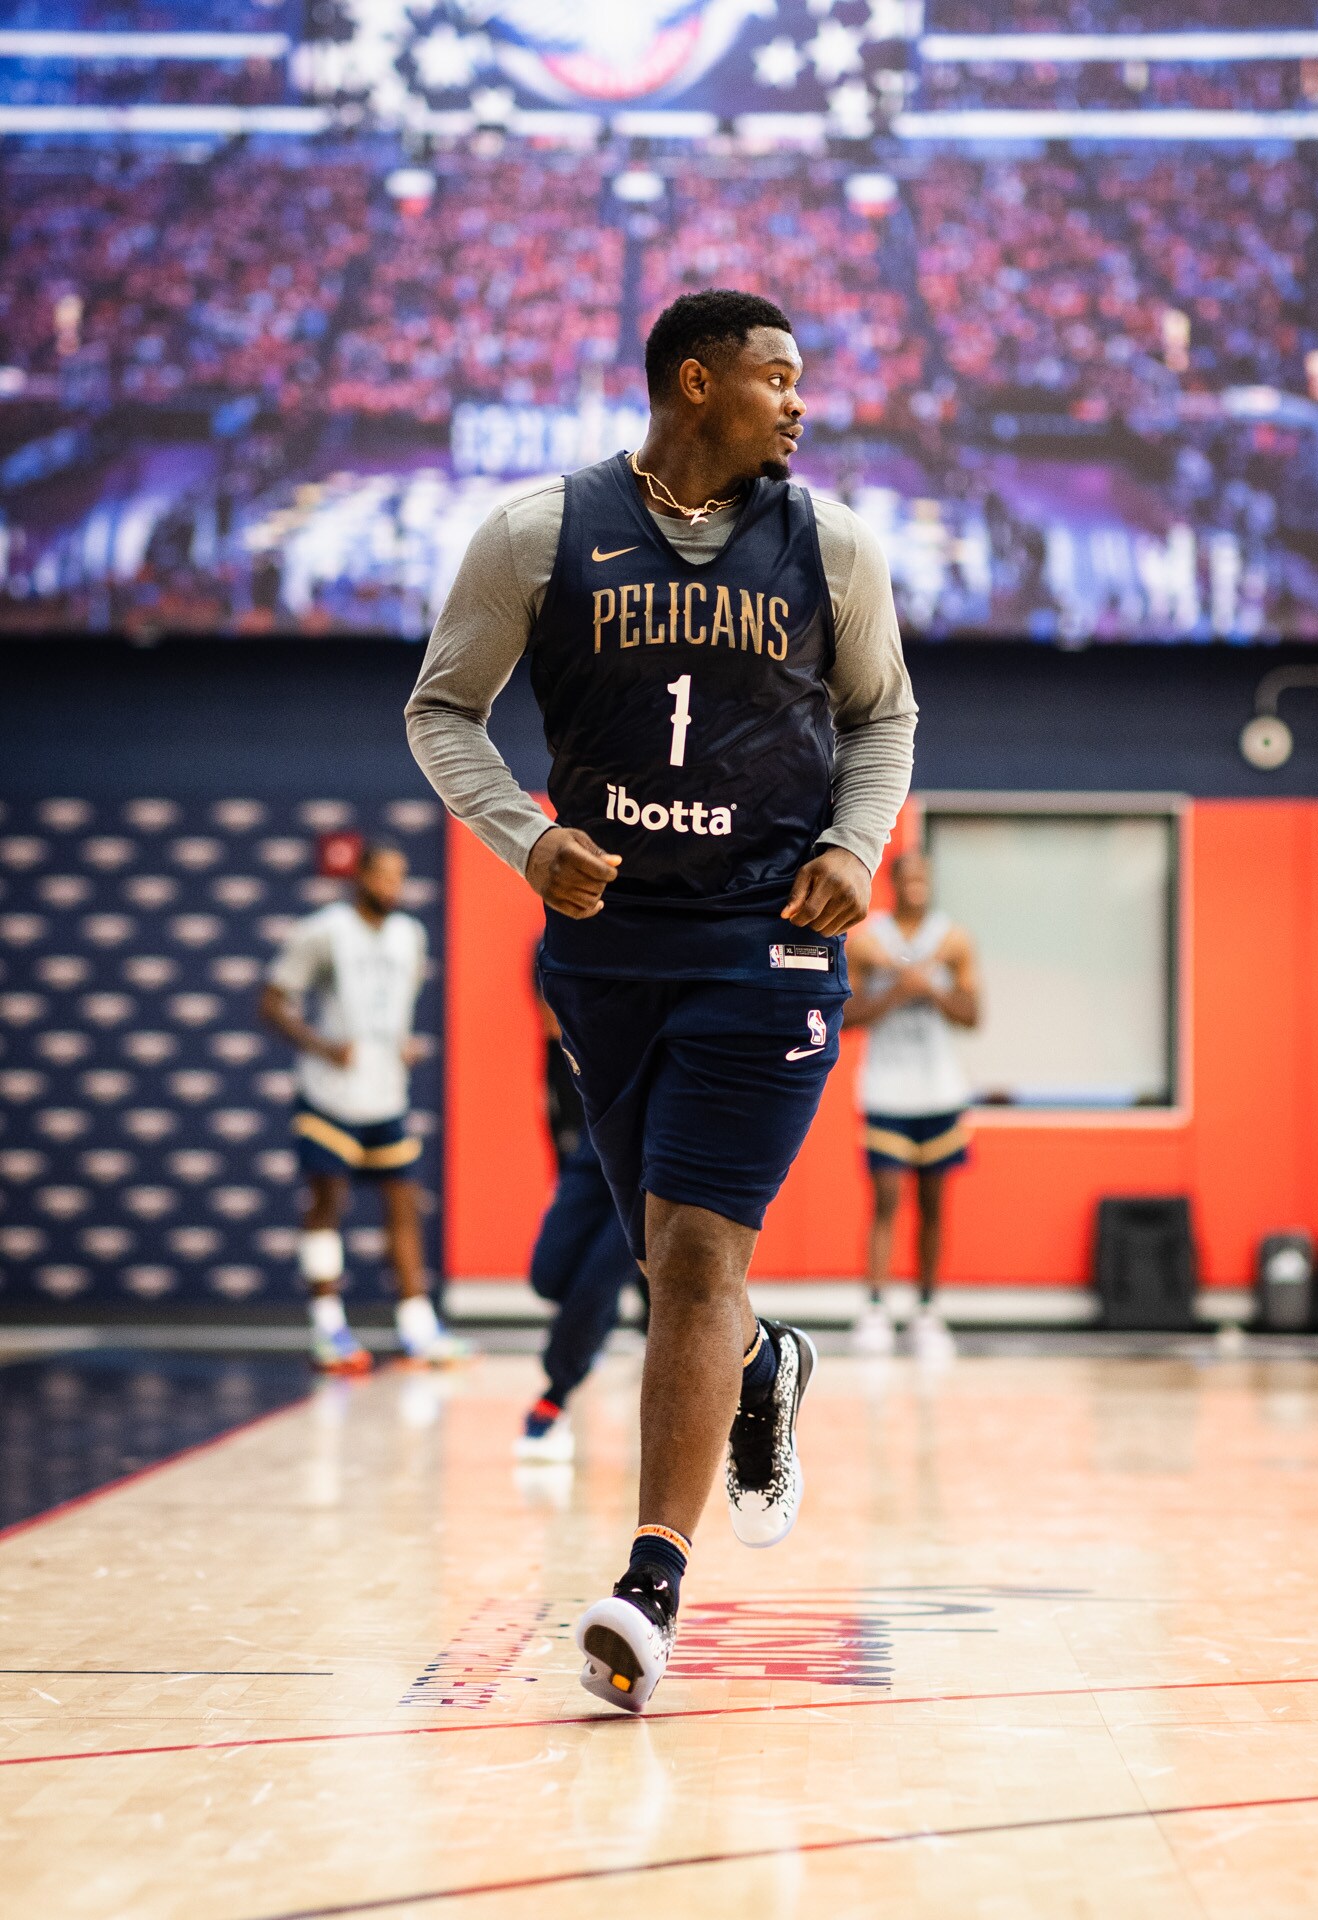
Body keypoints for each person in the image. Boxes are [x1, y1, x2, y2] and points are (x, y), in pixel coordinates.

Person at [407, 288, 916, 1711]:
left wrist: (848, 848)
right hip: (608, 948)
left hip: (768, 942)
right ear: (697, 384)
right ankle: (762, 1369)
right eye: (778, 378)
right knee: (670, 1265)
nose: (800, 403)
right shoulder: (539, 534)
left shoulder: (833, 545)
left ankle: (649, 1585)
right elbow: (441, 708)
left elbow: (885, 717)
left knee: (695, 1258)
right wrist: (525, 835)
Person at [259, 840, 470, 1372]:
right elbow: (272, 1001)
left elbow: (394, 1008)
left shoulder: (410, 935)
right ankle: (328, 1327)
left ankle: (418, 1327)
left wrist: (402, 1043)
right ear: (360, 877)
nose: (392, 887)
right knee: (328, 1202)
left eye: (399, 878)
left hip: (384, 1092)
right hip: (329, 1093)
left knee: (403, 1203)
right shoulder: (325, 930)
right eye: (382, 876)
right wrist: (323, 1046)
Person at [844, 847, 980, 1363]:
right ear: (894, 883)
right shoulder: (869, 941)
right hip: (886, 1087)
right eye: (908, 877)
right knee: (885, 1199)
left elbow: (972, 1014)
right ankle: (875, 1308)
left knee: (933, 1205)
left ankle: (927, 1311)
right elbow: (847, 1014)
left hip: (939, 1088)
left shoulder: (952, 940)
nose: (916, 885)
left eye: (924, 877)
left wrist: (933, 988)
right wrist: (902, 987)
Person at [516, 948, 642, 1465]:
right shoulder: (561, 1045)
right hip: (593, 1152)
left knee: (598, 1279)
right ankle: (604, 1320)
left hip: (649, 1159)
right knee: (549, 1275)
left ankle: (554, 1394)